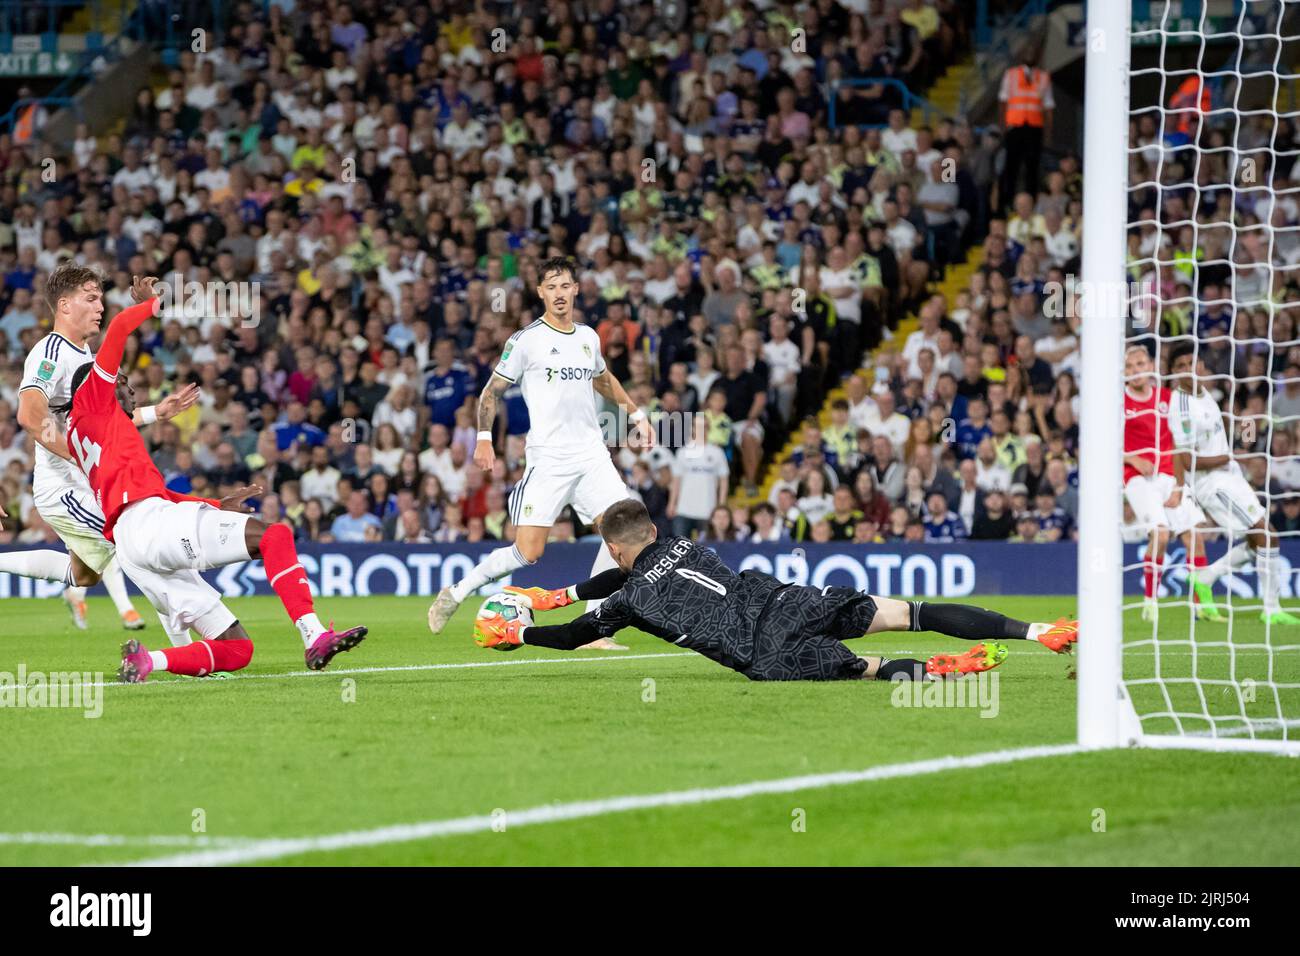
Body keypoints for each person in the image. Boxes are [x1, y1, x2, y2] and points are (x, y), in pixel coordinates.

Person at [62, 278, 367, 681]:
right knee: (274, 537)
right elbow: (118, 329)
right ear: (96, 385)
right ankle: (313, 635)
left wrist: (210, 505)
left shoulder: (83, 434)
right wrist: (152, 304)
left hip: (134, 546)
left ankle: (148, 661)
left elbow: (158, 491)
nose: (130, 389)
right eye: (123, 382)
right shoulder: (93, 399)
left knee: (237, 649)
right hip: (150, 524)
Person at [478, 499, 1078, 682]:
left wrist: (519, 630)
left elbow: (578, 633)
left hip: (763, 649)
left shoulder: (631, 601)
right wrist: (564, 590)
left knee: (866, 669)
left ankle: (936, 673)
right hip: (785, 598)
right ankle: (1037, 630)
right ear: (654, 532)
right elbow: (628, 569)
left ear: (613, 548)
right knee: (910, 610)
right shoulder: (686, 544)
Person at [426, 257, 654, 647]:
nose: (559, 293)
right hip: (549, 460)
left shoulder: (587, 337)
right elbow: (490, 392)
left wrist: (637, 415)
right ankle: (457, 592)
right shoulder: (526, 340)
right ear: (540, 293)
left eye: (565, 285)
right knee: (528, 553)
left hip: (592, 455)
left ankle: (593, 627)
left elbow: (603, 379)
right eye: (551, 286)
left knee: (627, 532)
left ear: (576, 289)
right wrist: (484, 437)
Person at [0, 264, 199, 633]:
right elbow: (30, 416)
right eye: (90, 298)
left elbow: (101, 423)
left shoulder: (86, 354)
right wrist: (78, 454)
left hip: (88, 481)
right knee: (144, 547)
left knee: (83, 574)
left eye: (102, 300)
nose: (100, 307)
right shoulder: (50, 353)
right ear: (64, 305)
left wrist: (158, 412)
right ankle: (192, 654)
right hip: (65, 488)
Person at [1167, 343, 1299, 624]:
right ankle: (1271, 609)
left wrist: (1235, 450)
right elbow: (1188, 460)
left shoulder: (1206, 396)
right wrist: (1228, 456)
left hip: (1230, 475)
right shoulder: (1180, 407)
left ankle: (1206, 576)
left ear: (1201, 366)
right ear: (1173, 373)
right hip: (1212, 484)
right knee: (1267, 534)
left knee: (1258, 539)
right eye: (1180, 365)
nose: (1189, 368)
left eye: (1193, 361)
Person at [1123, 343, 1205, 622]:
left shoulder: (1167, 398)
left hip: (1170, 476)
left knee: (1194, 536)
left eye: (1141, 364)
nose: (1136, 370)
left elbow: (1182, 443)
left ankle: (1200, 605)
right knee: (1160, 534)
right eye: (1131, 366)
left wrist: (1180, 485)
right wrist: (1133, 459)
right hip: (1137, 479)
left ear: (1150, 367)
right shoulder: (1117, 402)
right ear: (1124, 371)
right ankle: (1150, 602)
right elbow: (1100, 444)